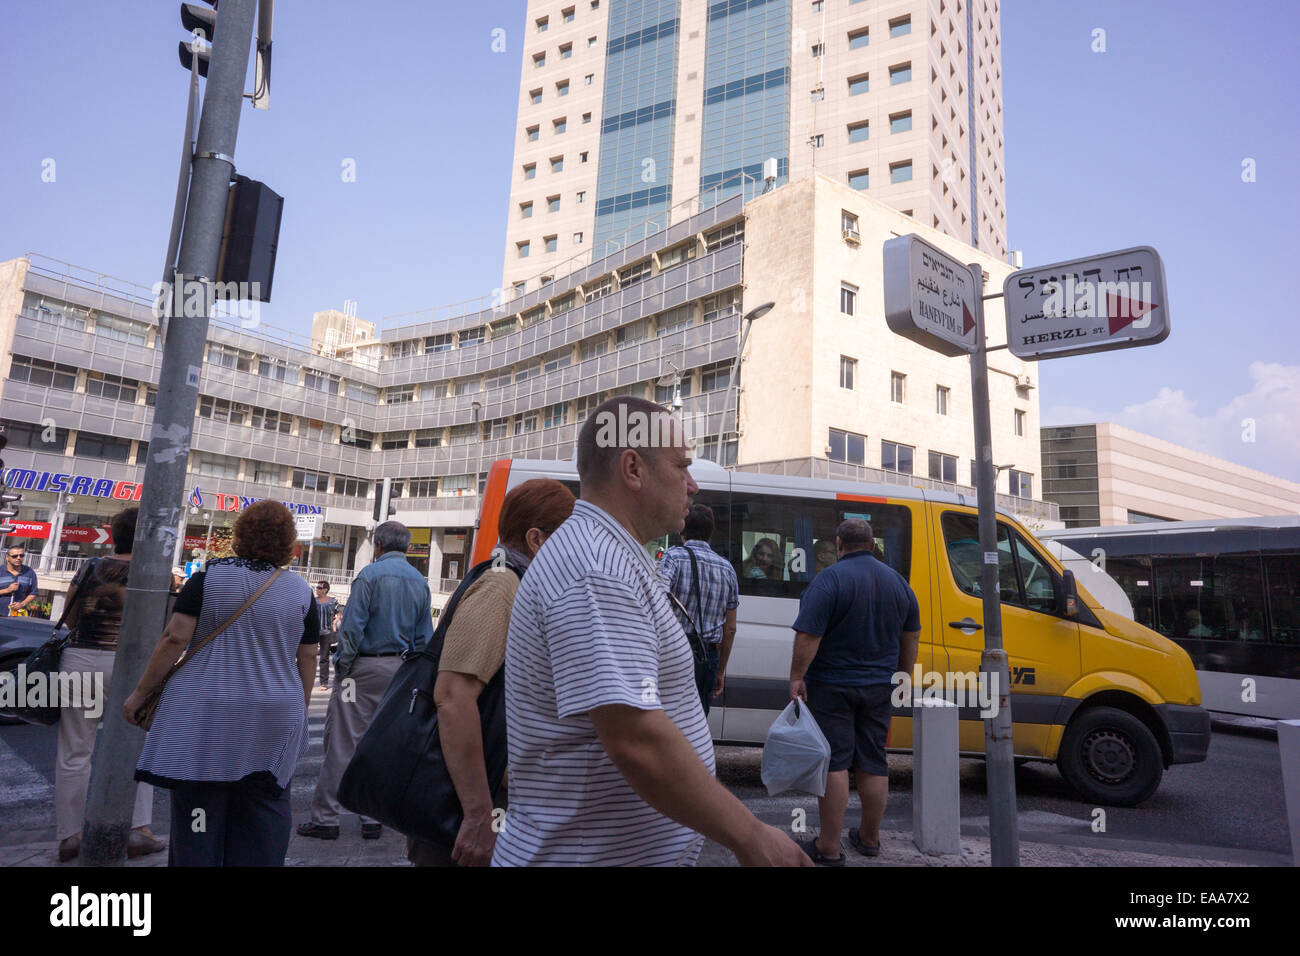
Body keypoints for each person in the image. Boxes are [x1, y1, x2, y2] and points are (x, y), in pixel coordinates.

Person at [492, 395, 809, 867]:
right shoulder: (595, 568)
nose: (693, 483)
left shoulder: (608, 555)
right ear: (633, 469)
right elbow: (636, 740)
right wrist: (752, 837)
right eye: (682, 466)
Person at [125, 500, 319, 867]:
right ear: (288, 542)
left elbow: (174, 638)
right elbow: (307, 657)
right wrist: (300, 708)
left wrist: (140, 694)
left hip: (206, 711)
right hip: (274, 714)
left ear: (240, 535)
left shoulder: (210, 576)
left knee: (200, 808)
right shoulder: (300, 591)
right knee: (265, 806)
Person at [407, 478, 576, 867]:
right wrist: (478, 814)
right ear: (536, 539)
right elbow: (452, 696)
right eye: (566, 539)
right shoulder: (501, 586)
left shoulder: (519, 583)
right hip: (464, 806)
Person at [788, 518, 921, 865]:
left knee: (835, 762)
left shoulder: (828, 580)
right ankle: (869, 838)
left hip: (833, 685)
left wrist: (796, 677)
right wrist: (904, 677)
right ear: (873, 544)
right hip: (880, 686)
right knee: (873, 761)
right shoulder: (899, 584)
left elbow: (808, 636)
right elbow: (911, 637)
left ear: (839, 544)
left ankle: (829, 847)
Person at [300, 521, 434, 841]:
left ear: (378, 546)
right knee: (379, 746)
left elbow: (352, 629)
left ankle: (327, 818)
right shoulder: (419, 581)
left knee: (343, 743)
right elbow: (424, 637)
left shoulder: (370, 576)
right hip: (400, 671)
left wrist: (343, 669)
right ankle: (372, 817)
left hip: (363, 668)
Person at [55, 508, 164, 863]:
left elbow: (70, 618)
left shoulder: (88, 567)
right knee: (138, 746)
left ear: (114, 534)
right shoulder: (157, 573)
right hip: (132, 667)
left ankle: (71, 835)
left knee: (74, 752)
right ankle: (138, 830)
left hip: (82, 660)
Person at [658, 503, 739, 716]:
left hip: (675, 651)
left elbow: (656, 599)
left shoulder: (673, 557)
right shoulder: (727, 569)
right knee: (697, 723)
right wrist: (720, 670)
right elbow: (730, 629)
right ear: (710, 533)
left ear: (682, 528)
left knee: (668, 722)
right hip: (708, 657)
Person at [313, 581, 342, 688]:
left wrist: (335, 622)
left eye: (319, 588)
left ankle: (323, 682)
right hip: (313, 632)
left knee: (324, 657)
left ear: (325, 589)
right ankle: (307, 678)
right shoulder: (313, 601)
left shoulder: (333, 601)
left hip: (326, 632)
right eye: (316, 588)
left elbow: (339, 614)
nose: (317, 590)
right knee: (309, 655)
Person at [0, 544, 39, 615]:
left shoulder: (29, 572)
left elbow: (34, 593)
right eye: (14, 556)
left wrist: (22, 604)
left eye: (21, 555)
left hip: (19, 616)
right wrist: (7, 590)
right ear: (7, 557)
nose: (18, 558)